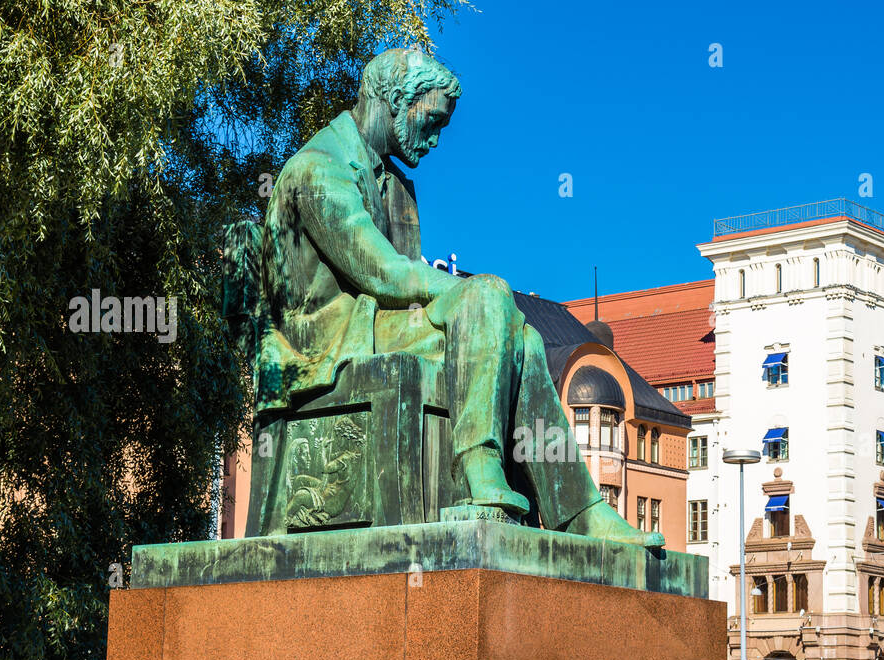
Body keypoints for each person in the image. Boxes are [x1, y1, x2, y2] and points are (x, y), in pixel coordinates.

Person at [258, 48, 660, 546]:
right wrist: (479, 296)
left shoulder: (397, 185)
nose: (436, 139)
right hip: (327, 339)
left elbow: (404, 291)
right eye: (432, 121)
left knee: (526, 341)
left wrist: (492, 315)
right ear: (394, 101)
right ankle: (480, 466)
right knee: (488, 295)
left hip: (378, 324)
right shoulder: (319, 167)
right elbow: (382, 272)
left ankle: (579, 510)